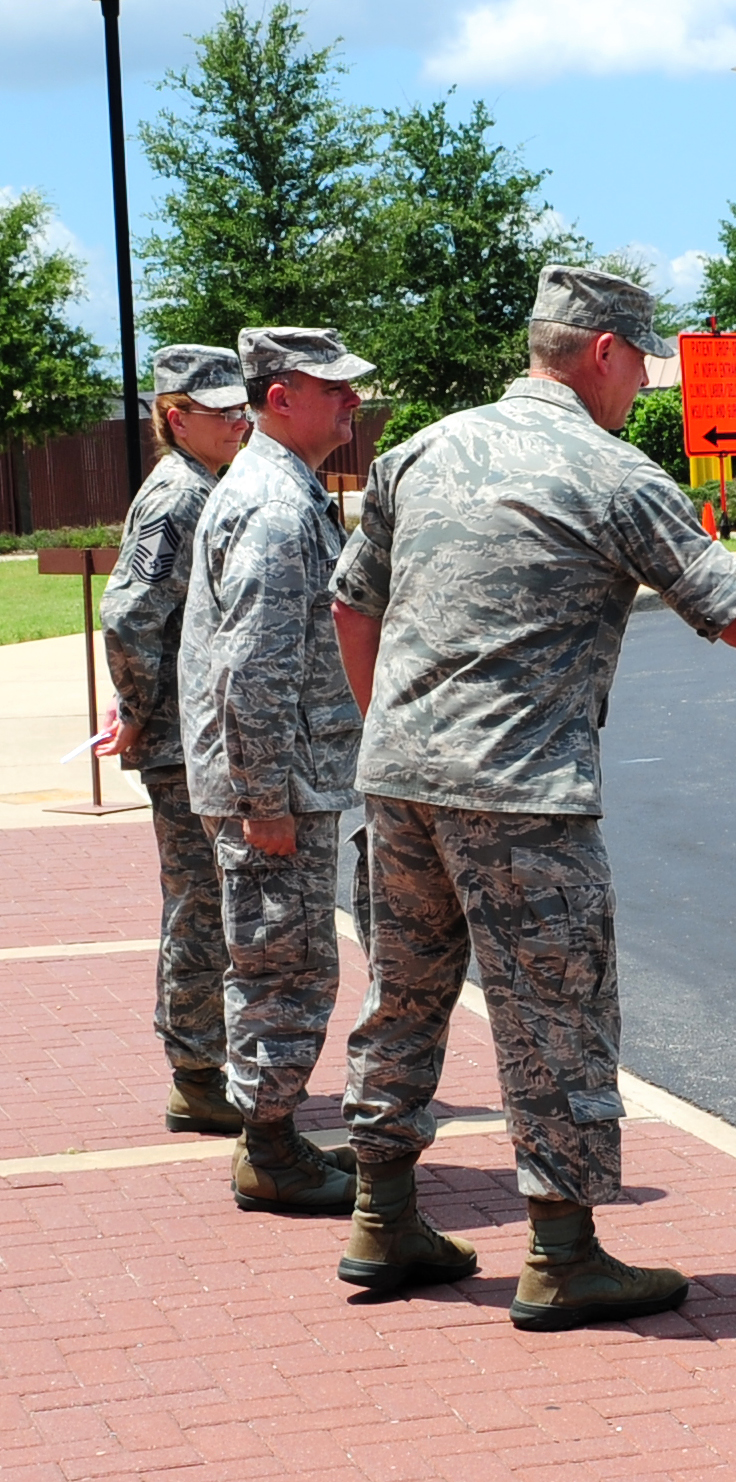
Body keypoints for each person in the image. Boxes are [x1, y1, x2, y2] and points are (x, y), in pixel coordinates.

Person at [327, 264, 736, 1330]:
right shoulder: (611, 473)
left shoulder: (420, 450)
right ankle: (563, 1257)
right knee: (553, 1015)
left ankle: (381, 1219)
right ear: (602, 351)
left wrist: (396, 731)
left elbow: (352, 605)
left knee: (403, 996)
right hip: (522, 792)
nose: (643, 383)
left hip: (398, 784)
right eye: (640, 363)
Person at [178, 326, 377, 1216]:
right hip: (275, 785)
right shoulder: (274, 504)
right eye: (333, 388)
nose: (352, 401)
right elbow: (254, 666)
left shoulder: (279, 485)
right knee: (284, 968)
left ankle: (273, 1137)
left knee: (279, 960)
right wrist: (264, 800)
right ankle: (269, 1153)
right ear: (280, 397)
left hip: (280, 777)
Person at [97, 345, 252, 1134]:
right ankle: (195, 1075)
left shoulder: (206, 484)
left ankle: (205, 1065)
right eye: (219, 412)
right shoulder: (178, 496)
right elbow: (130, 613)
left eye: (241, 408)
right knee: (201, 908)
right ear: (174, 417)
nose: (237, 422)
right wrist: (137, 705)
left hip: (198, 738)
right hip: (181, 744)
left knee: (210, 904)